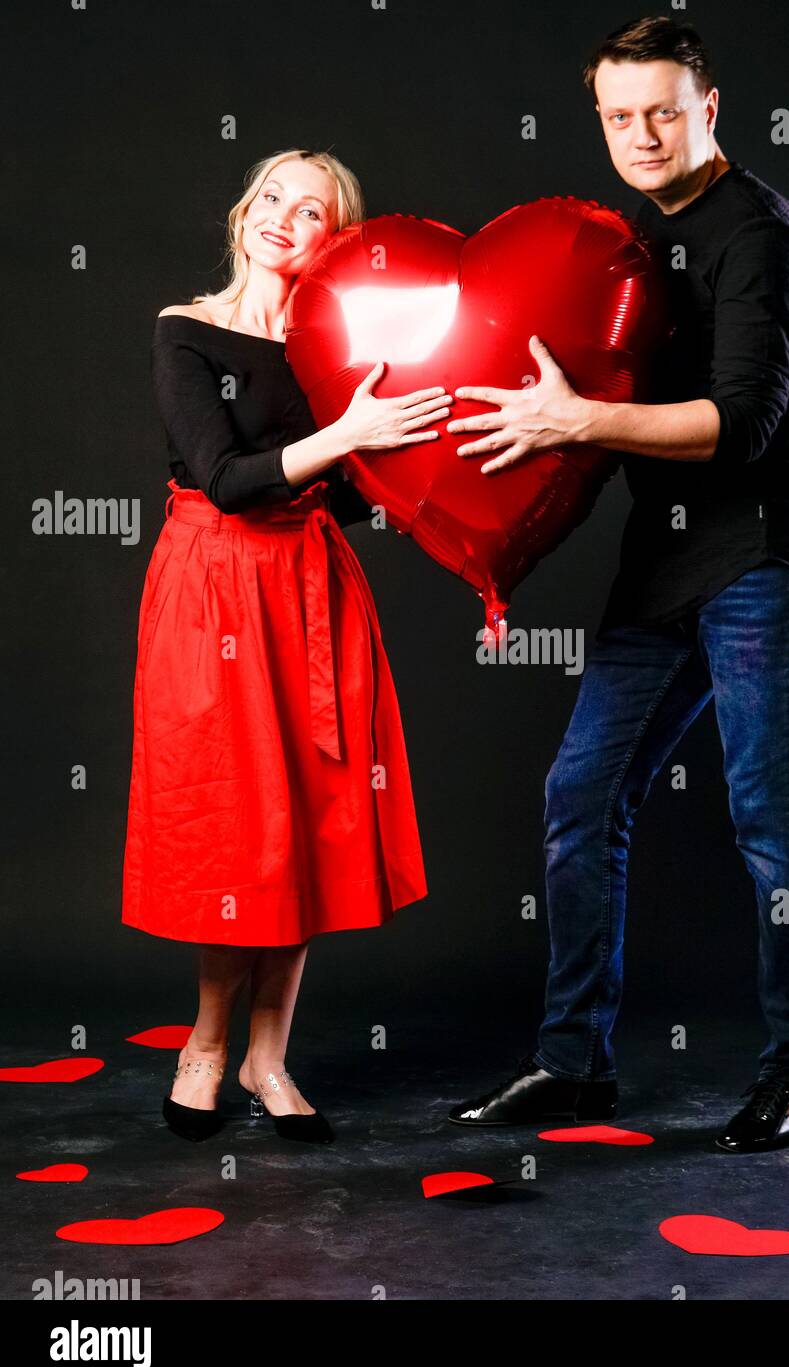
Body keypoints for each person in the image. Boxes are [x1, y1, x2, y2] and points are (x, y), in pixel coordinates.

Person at [446, 17, 789, 1152]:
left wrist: (575, 417)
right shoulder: (626, 233)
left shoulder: (759, 235)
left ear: (707, 107)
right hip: (664, 562)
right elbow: (566, 398)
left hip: (765, 556)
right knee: (580, 795)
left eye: (663, 110)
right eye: (619, 116)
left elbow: (742, 422)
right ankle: (572, 1066)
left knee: (773, 821)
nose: (641, 133)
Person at [122, 148, 452, 1143]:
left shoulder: (336, 356)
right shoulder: (186, 330)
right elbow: (226, 478)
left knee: (310, 819)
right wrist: (350, 433)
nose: (282, 218)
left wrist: (417, 468)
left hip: (310, 589)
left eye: (310, 212)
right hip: (214, 587)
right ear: (242, 212)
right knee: (237, 827)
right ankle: (207, 1044)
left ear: (330, 243)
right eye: (272, 197)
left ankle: (270, 1055)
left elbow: (344, 495)